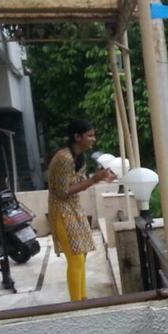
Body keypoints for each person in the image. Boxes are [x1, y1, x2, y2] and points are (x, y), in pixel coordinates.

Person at [47, 119, 116, 301]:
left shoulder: (79, 158)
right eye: (90, 135)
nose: (93, 139)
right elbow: (63, 192)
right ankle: (76, 304)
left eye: (94, 135)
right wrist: (95, 179)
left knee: (82, 254)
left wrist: (99, 177)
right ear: (77, 137)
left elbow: (77, 183)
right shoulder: (64, 158)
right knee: (76, 257)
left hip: (74, 209)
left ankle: (83, 299)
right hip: (61, 211)